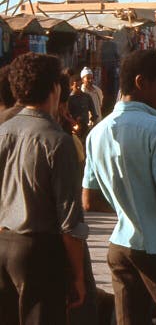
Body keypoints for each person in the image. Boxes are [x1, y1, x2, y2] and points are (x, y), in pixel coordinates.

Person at [82, 50, 156, 325]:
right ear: (141, 82)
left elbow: (89, 200)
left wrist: (128, 204)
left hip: (121, 246)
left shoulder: (97, 132)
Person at [0, 53, 88, 325]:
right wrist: (79, 276)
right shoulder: (57, 141)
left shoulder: (3, 131)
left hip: (4, 244)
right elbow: (69, 221)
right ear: (54, 89)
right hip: (40, 251)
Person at [67, 73, 98, 141]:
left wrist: (92, 126)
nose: (78, 88)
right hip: (74, 130)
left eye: (80, 85)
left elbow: (94, 114)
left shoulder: (87, 97)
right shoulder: (69, 99)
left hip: (86, 129)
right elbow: (66, 115)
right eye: (76, 86)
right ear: (71, 86)